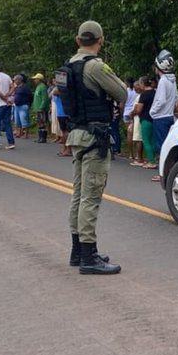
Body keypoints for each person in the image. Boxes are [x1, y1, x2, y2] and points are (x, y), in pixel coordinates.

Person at [60, 20, 128, 274]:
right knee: (91, 196)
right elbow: (122, 92)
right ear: (100, 40)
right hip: (95, 137)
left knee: (78, 195)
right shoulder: (95, 66)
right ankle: (89, 256)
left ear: (78, 40)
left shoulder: (68, 67)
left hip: (77, 135)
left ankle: (78, 251)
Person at [149, 51, 178, 182]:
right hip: (170, 116)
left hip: (160, 118)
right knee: (168, 145)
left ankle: (162, 173)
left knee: (161, 146)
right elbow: (177, 98)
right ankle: (170, 171)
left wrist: (152, 112)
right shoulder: (173, 80)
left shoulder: (163, 81)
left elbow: (160, 100)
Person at [133, 75, 157, 170]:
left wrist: (134, 112)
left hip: (146, 119)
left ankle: (151, 161)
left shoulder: (144, 94)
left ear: (143, 84)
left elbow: (139, 109)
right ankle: (153, 158)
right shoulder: (155, 93)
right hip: (154, 118)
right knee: (153, 140)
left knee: (146, 140)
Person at [51, 80, 72, 156]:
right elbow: (50, 96)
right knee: (64, 132)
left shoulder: (63, 90)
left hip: (64, 114)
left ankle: (68, 149)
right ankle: (65, 149)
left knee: (66, 132)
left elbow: (54, 92)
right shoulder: (61, 89)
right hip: (61, 113)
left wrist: (57, 85)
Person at [122, 76, 138, 163]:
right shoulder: (137, 91)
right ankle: (137, 154)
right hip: (134, 112)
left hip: (126, 112)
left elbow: (122, 103)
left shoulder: (125, 91)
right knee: (136, 133)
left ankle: (130, 153)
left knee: (129, 134)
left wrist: (122, 112)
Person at [12, 73, 32, 139]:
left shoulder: (25, 87)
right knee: (17, 121)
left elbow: (30, 96)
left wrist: (28, 104)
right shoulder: (16, 87)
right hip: (17, 106)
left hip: (23, 105)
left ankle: (26, 134)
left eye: (15, 80)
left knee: (24, 120)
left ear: (19, 80)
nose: (14, 81)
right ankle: (19, 133)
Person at [32, 73, 50, 143]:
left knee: (42, 122)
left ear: (39, 79)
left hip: (41, 108)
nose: (34, 80)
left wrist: (42, 107)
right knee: (39, 122)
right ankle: (39, 137)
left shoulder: (43, 87)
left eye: (35, 79)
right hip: (37, 108)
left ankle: (43, 138)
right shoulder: (38, 87)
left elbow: (44, 98)